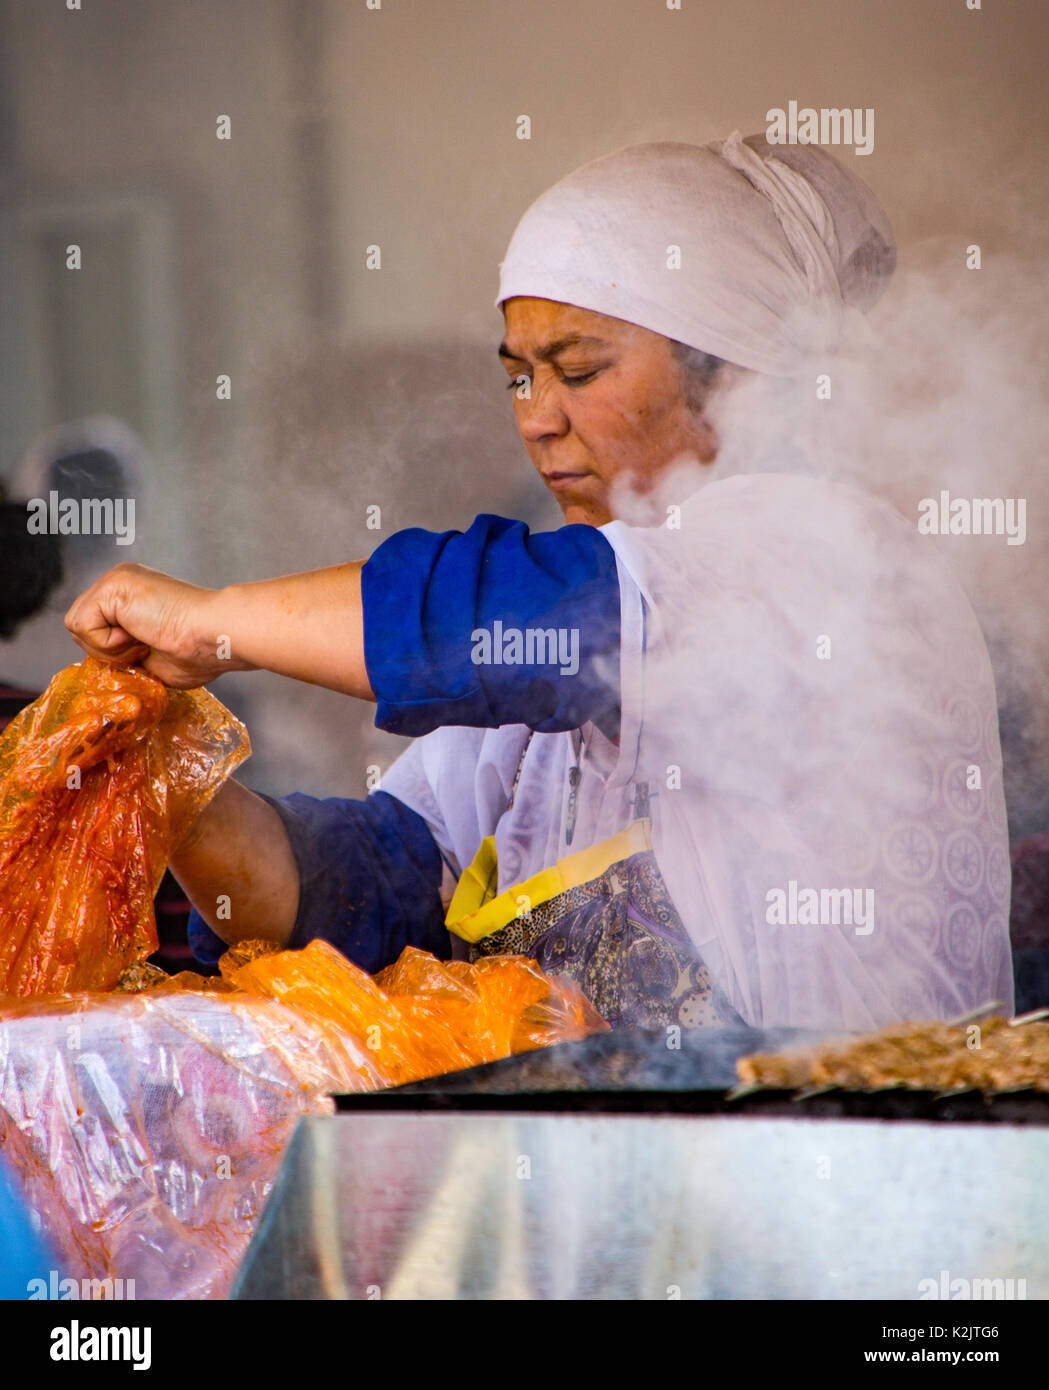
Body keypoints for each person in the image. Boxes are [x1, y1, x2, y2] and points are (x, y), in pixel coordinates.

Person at [64, 133, 1014, 1031]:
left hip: (833, 1169)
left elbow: (504, 616)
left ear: (733, 378)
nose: (537, 419)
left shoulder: (819, 555)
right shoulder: (553, 654)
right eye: (520, 376)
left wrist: (216, 622)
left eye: (579, 370)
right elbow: (367, 890)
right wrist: (165, 773)